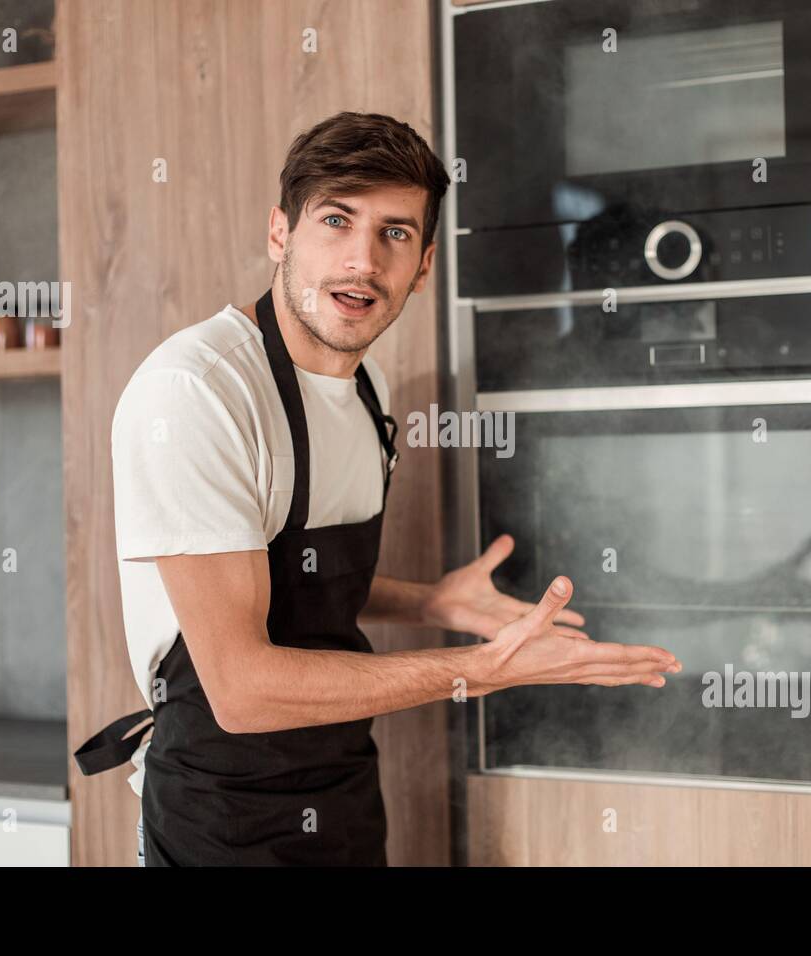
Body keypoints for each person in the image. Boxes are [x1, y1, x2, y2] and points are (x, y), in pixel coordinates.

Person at [73, 111, 680, 866]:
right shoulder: (197, 392)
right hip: (216, 816)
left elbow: (294, 580)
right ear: (280, 234)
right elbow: (241, 687)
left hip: (343, 790)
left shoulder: (368, 391)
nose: (362, 261)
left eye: (394, 233)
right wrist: (479, 672)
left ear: (423, 265)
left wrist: (428, 602)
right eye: (335, 220)